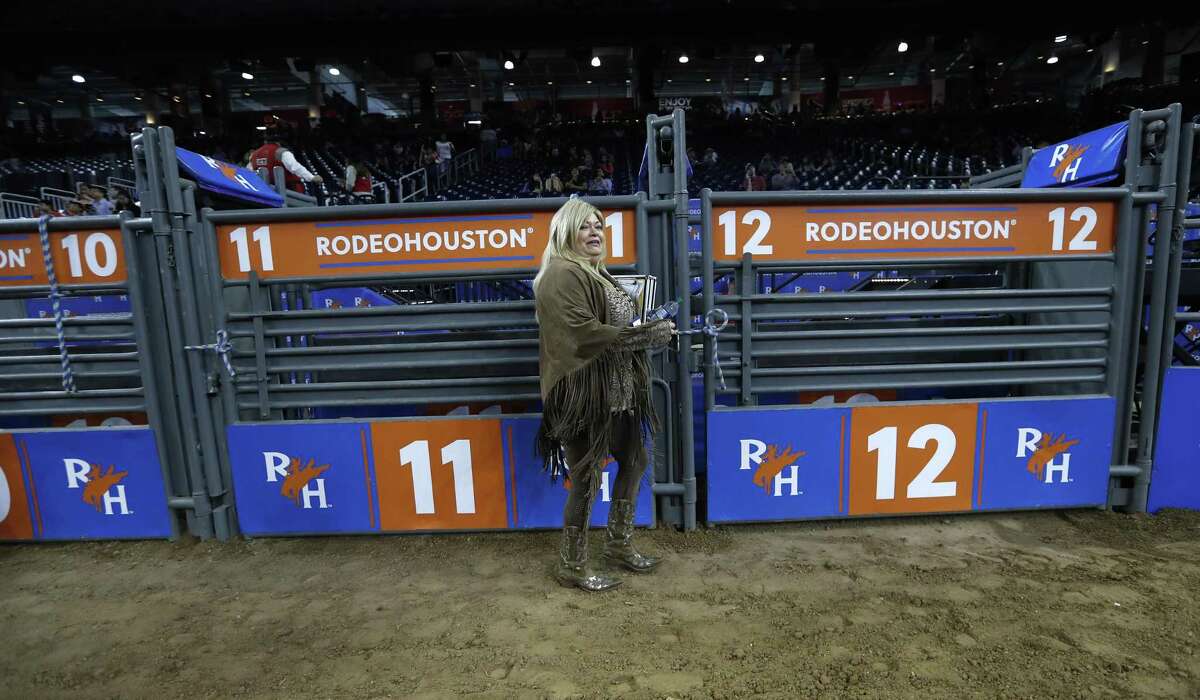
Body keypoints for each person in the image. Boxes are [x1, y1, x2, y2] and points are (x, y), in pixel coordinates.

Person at [533, 198, 675, 592]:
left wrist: (645, 328)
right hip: (582, 390)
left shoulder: (597, 274)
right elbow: (583, 333)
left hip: (617, 387)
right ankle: (572, 565)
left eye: (599, 226)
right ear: (566, 233)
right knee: (586, 476)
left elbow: (613, 325)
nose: (595, 232)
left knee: (634, 458)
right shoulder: (561, 274)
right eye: (585, 226)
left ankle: (617, 546)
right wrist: (644, 334)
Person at [250, 127, 323, 194]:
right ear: (280, 140)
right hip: (288, 192)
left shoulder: (254, 154)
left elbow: (249, 172)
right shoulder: (281, 152)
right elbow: (295, 167)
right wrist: (312, 177)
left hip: (265, 192)